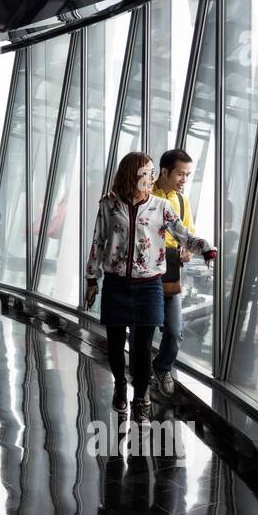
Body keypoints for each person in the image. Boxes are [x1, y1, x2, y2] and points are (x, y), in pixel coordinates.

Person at [86, 152, 216, 422]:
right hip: (116, 284)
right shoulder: (109, 205)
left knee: (143, 347)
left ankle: (140, 397)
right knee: (114, 345)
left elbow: (184, 235)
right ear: (131, 175)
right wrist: (91, 280)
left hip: (149, 286)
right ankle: (120, 386)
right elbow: (98, 243)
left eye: (152, 173)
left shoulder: (161, 207)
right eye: (146, 173)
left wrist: (206, 249)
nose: (151, 177)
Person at [150, 149, 194, 397]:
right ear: (164, 171)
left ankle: (162, 367)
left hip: (170, 268)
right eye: (180, 174)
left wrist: (188, 250)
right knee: (142, 329)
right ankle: (141, 375)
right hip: (145, 270)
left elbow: (188, 234)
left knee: (175, 329)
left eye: (187, 175)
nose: (184, 180)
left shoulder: (181, 201)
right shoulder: (145, 195)